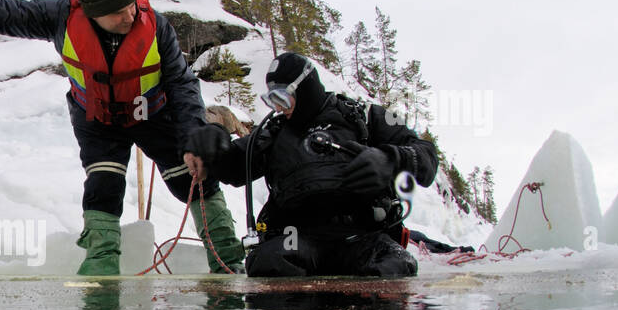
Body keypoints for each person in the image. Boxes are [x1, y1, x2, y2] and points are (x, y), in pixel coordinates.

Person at [0, 0, 246, 275]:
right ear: (93, 13)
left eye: (132, 7)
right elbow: (2, 13)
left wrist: (193, 138)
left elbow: (182, 84)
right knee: (103, 187)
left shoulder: (157, 27)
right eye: (119, 12)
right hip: (98, 120)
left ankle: (229, 261)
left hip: (154, 114)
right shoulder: (61, 17)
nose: (130, 16)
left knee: (193, 178)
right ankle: (102, 267)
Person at [182, 52, 438, 277]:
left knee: (396, 265)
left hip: (362, 238)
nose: (278, 108)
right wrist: (213, 141)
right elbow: (235, 165)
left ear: (304, 87)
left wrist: (389, 161)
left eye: (282, 98)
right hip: (299, 242)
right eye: (271, 101)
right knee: (266, 262)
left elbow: (426, 155)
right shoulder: (274, 133)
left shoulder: (365, 117)